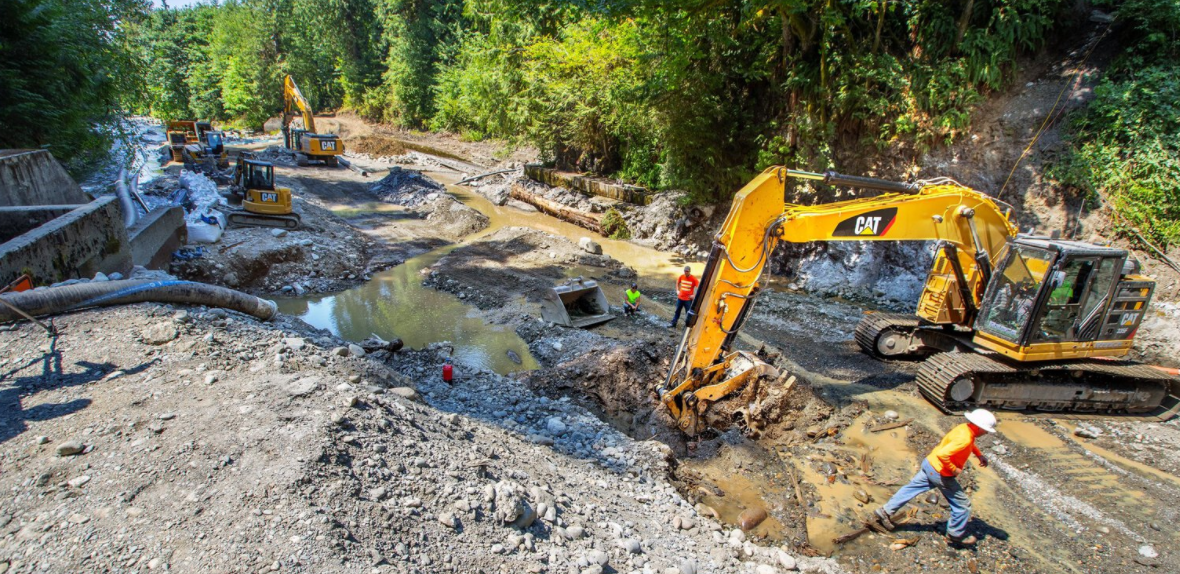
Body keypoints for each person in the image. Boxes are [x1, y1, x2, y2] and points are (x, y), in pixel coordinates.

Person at [870, 409, 997, 547]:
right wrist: (954, 469)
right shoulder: (965, 439)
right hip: (940, 472)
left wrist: (978, 454)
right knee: (963, 505)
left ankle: (885, 511)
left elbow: (969, 444)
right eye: (985, 430)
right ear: (978, 427)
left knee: (910, 488)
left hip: (929, 463)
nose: (985, 433)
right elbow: (943, 455)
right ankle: (955, 535)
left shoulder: (964, 428)